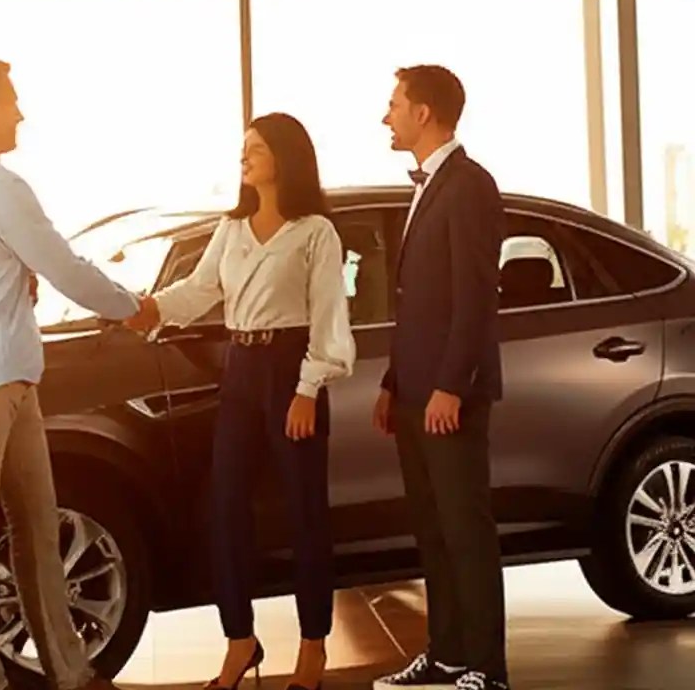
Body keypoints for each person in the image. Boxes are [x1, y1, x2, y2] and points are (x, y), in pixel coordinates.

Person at [0, 57, 140, 690]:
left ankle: (70, 672)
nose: (20, 113)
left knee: (39, 528)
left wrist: (20, 276)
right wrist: (132, 308)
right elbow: (62, 264)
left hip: (9, 381)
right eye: (11, 101)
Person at [126, 113, 355, 690]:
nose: (245, 158)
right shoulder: (232, 229)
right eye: (243, 149)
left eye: (255, 149)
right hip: (241, 371)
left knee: (305, 516)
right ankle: (240, 641)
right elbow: (202, 290)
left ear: (286, 156)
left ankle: (313, 648)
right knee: (224, 510)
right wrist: (150, 308)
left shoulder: (315, 233)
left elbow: (330, 322)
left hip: (291, 371)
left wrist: (307, 390)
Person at [370, 65, 509, 690]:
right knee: (433, 532)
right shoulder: (430, 187)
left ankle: (488, 668)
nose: (386, 116)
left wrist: (451, 384)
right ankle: (449, 654)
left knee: (465, 532)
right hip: (415, 393)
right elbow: (418, 300)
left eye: (395, 104)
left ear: (424, 112)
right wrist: (394, 382)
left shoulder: (470, 186)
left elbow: (475, 298)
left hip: (449, 395)